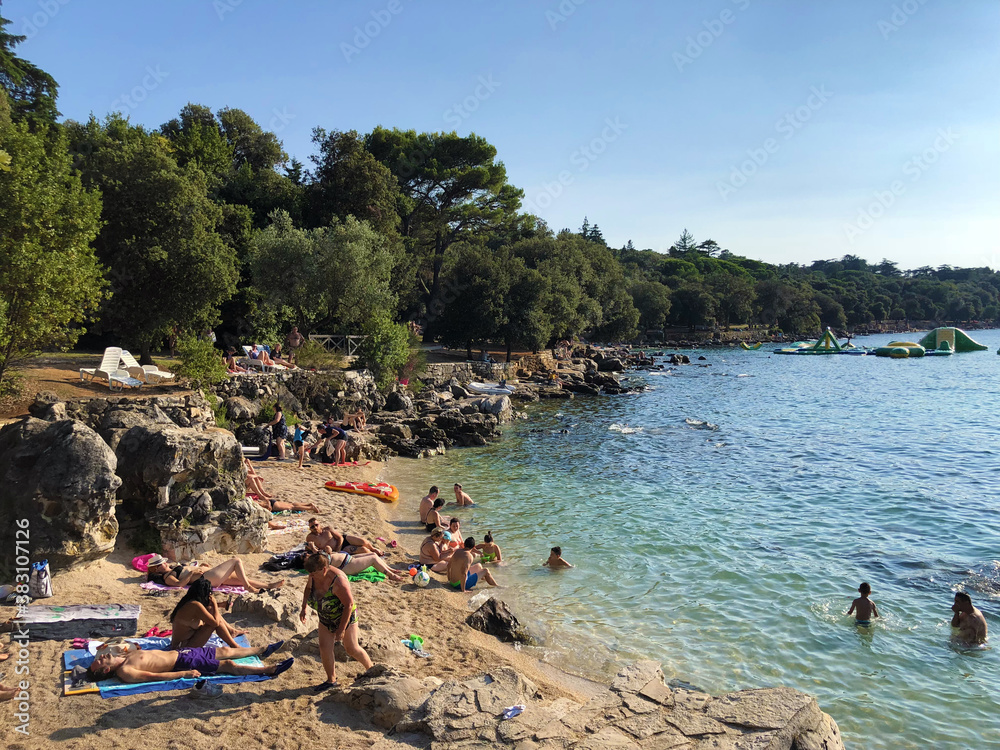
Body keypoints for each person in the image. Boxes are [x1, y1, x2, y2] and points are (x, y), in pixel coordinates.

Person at [300, 550, 374, 691]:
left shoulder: (338, 581)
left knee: (351, 648)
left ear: (323, 570)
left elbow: (349, 605)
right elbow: (308, 589)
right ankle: (331, 680)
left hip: (345, 617)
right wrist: (303, 607)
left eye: (313, 573)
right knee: (324, 647)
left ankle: (371, 670)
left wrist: (341, 630)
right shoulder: (313, 575)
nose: (310, 576)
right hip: (325, 616)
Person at [86, 642, 292, 683]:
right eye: (100, 661)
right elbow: (154, 676)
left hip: (181, 652)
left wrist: (108, 647)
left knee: (223, 651)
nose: (102, 657)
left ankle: (263, 650)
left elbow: (125, 645)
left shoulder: (123, 657)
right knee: (227, 665)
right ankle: (269, 670)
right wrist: (183, 674)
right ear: (105, 671)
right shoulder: (126, 671)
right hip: (182, 662)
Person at [168, 579, 246, 649]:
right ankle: (234, 646)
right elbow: (215, 623)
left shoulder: (188, 601)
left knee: (211, 610)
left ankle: (232, 631)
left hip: (184, 641)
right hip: (182, 647)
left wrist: (220, 604)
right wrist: (215, 604)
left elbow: (204, 609)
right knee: (216, 622)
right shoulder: (195, 606)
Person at [146, 555, 284, 593]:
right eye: (162, 563)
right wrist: (192, 572)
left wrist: (200, 567)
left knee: (241, 578)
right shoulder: (167, 577)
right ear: (157, 569)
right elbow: (179, 585)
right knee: (236, 561)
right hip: (204, 579)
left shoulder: (172, 569)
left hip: (208, 575)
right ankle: (248, 587)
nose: (165, 563)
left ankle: (269, 585)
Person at [303, 542, 405, 582]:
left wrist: (314, 549)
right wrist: (313, 548)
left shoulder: (317, 556)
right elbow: (326, 554)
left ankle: (390, 569)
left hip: (349, 559)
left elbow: (327, 550)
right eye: (304, 556)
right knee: (373, 559)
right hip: (348, 565)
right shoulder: (318, 561)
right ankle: (391, 575)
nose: (306, 555)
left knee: (373, 555)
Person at [306, 519, 381, 556]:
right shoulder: (310, 538)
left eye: (316, 525)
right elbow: (310, 548)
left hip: (342, 541)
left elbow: (340, 538)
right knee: (363, 550)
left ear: (320, 524)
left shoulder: (327, 529)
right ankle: (373, 555)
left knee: (363, 542)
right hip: (339, 550)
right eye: (312, 527)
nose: (315, 527)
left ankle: (373, 549)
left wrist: (338, 549)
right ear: (310, 529)